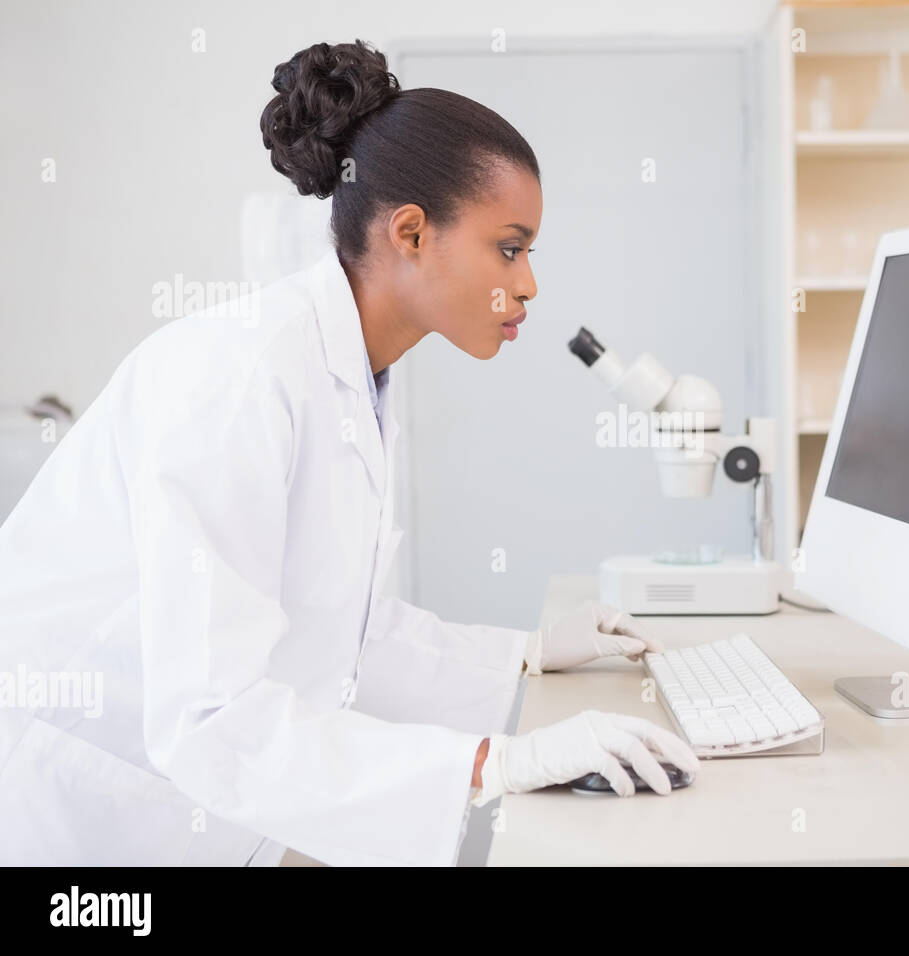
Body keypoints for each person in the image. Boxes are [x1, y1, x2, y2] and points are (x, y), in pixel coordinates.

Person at [0, 39, 698, 867]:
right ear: (412, 232)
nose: (528, 286)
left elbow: (339, 630)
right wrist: (493, 762)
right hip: (76, 808)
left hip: (194, 797)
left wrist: (528, 653)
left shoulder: (351, 375)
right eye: (510, 249)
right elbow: (211, 720)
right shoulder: (240, 379)